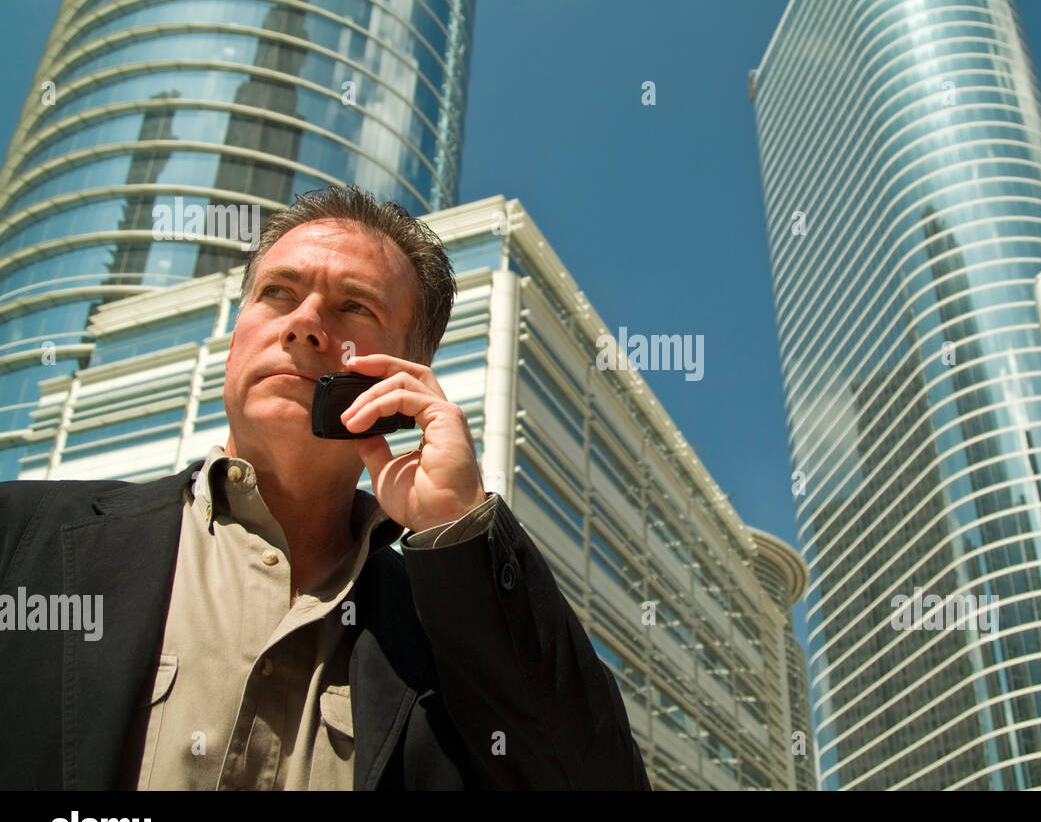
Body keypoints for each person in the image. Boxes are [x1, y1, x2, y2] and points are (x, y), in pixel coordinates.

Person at [0, 184, 651, 790]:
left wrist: (460, 531)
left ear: (405, 377)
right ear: (237, 338)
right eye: (277, 293)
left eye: (353, 306)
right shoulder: (22, 537)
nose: (304, 323)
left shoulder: (449, 634)